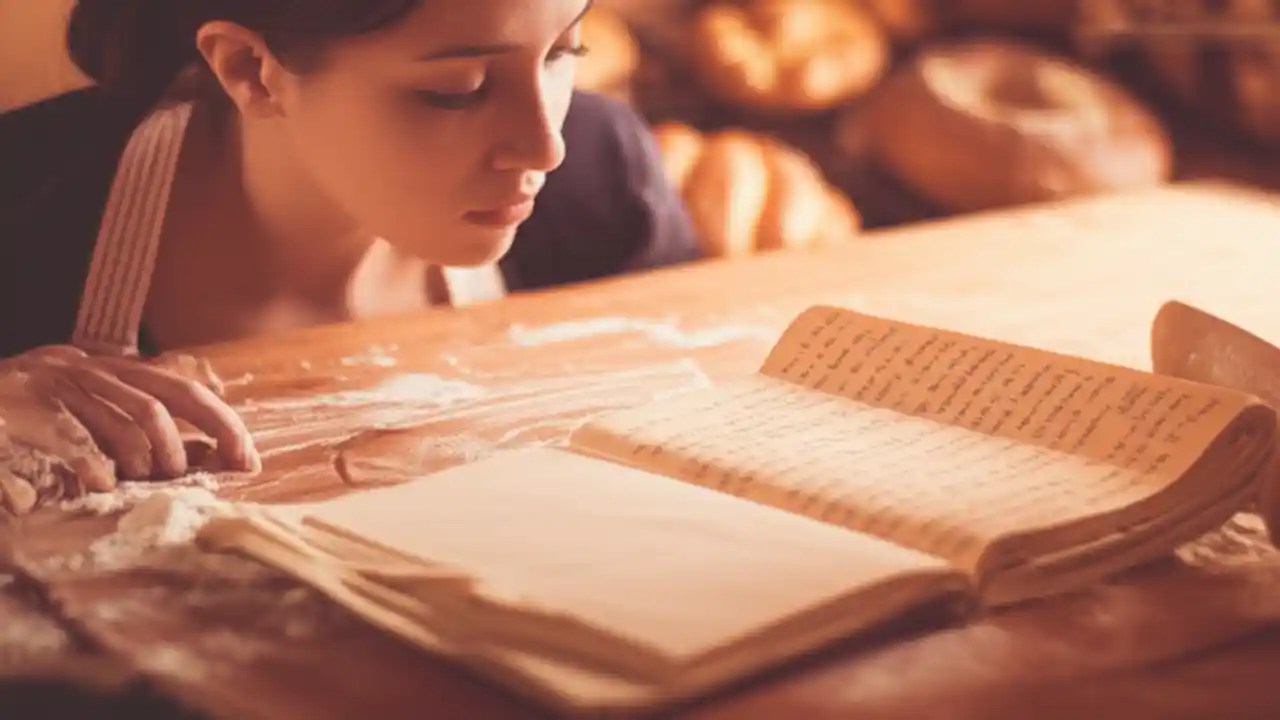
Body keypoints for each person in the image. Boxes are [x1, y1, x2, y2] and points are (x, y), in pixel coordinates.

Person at [0, 0, 700, 509]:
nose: (547, 146)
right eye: (457, 90)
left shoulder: (607, 185)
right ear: (252, 71)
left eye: (561, 53)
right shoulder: (23, 196)